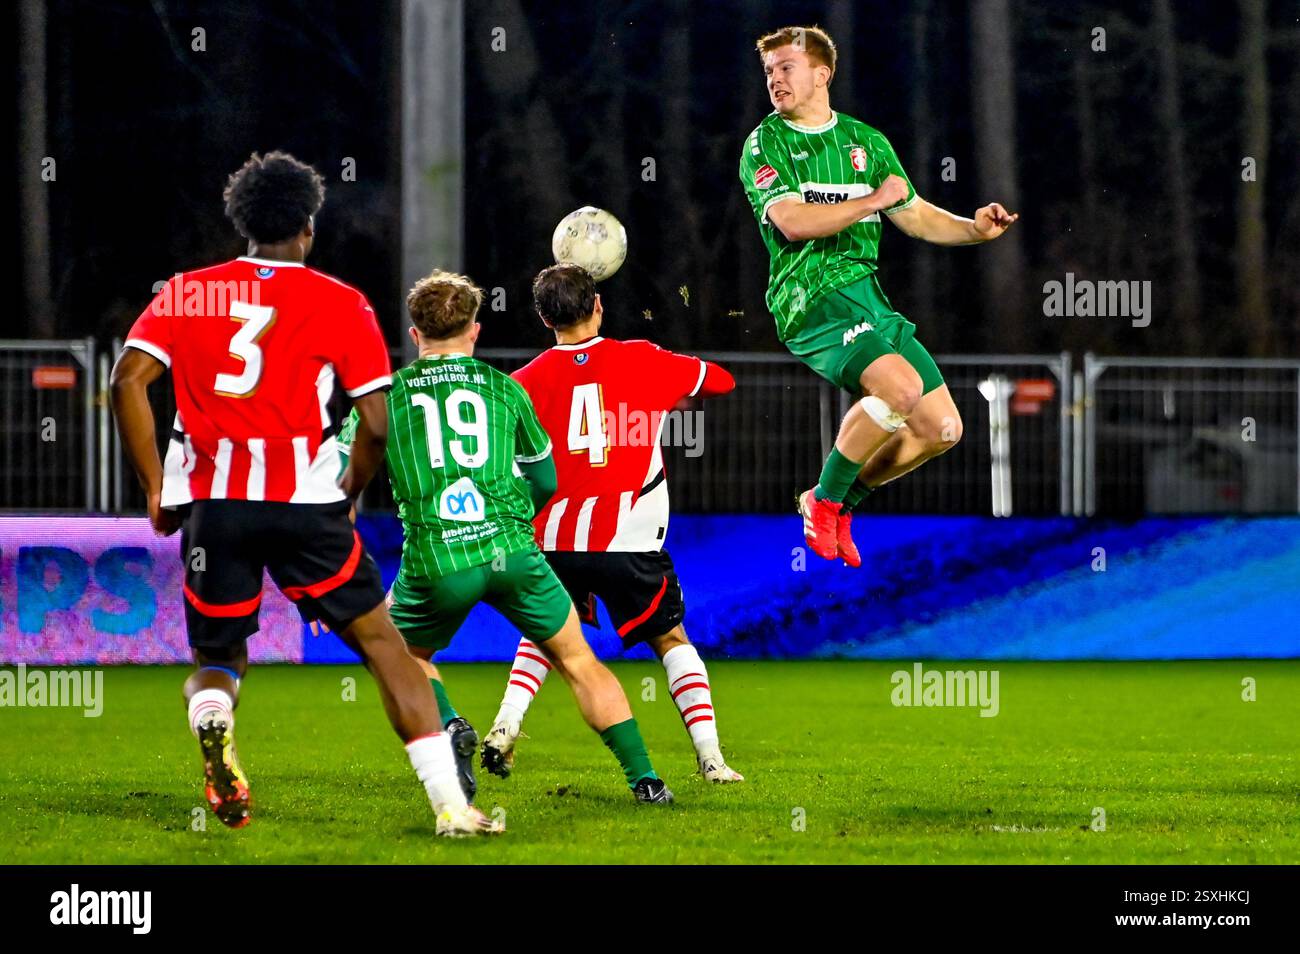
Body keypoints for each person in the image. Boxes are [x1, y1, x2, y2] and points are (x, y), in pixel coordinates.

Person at [110, 151, 499, 836]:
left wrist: (154, 489)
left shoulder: (186, 292)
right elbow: (376, 424)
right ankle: (450, 807)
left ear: (242, 222)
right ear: (309, 227)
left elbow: (127, 380)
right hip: (306, 504)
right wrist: (350, 487)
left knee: (218, 659)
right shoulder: (339, 302)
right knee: (384, 645)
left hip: (216, 506)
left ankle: (216, 720)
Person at [337, 268, 675, 804]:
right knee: (578, 660)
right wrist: (517, 517)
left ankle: (449, 726)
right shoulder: (504, 389)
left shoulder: (387, 396)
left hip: (437, 558)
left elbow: (337, 478)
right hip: (513, 552)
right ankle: (647, 781)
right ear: (474, 331)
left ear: (415, 334)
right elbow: (545, 478)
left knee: (400, 655)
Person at [740, 26, 1019, 564]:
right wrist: (871, 201)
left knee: (942, 429)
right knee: (901, 388)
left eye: (786, 67)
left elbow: (913, 214)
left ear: (822, 74)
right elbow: (793, 221)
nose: (775, 78)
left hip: (867, 297)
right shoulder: (766, 143)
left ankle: (842, 501)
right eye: (769, 70)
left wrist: (974, 229)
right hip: (810, 296)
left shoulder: (866, 143)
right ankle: (823, 497)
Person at [482, 264, 744, 784]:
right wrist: (669, 389)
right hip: (628, 539)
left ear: (542, 317)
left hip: (552, 539)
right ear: (598, 306)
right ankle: (711, 759)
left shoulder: (520, 385)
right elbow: (722, 380)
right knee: (672, 640)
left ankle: (506, 724)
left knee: (545, 636)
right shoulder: (642, 359)